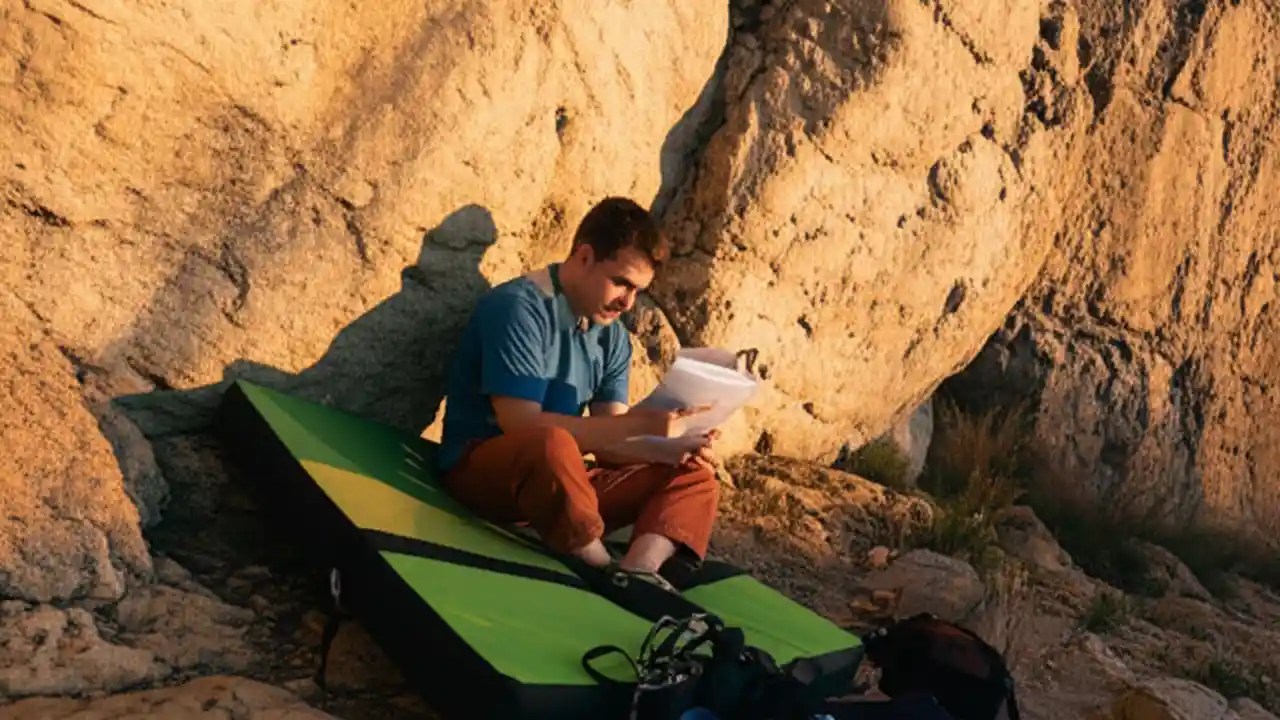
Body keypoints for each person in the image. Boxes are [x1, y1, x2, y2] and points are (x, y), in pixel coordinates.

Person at [436, 196, 720, 587]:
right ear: (584, 258)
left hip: (564, 482)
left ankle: (639, 573)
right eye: (621, 282)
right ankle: (602, 569)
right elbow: (520, 425)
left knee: (692, 472)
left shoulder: (614, 338)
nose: (627, 302)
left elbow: (608, 442)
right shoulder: (520, 308)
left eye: (638, 291)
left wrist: (672, 448)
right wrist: (641, 424)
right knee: (550, 444)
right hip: (489, 472)